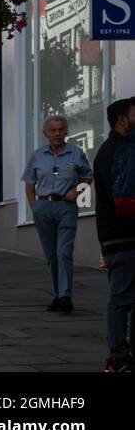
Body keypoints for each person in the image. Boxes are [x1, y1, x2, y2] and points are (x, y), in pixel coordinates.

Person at [22, 115, 93, 314]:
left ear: (66, 132)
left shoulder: (76, 153)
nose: (58, 133)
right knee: (51, 256)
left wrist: (77, 190)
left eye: (61, 129)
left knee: (64, 252)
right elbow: (29, 185)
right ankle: (57, 294)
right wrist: (34, 207)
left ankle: (65, 297)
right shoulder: (37, 156)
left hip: (66, 208)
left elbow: (88, 176)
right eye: (53, 130)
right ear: (46, 133)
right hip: (43, 208)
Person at [94, 97, 135, 372]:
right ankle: (118, 360)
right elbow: (123, 200)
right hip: (123, 238)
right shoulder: (118, 151)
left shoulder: (115, 149)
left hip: (119, 238)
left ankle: (122, 358)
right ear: (122, 119)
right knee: (121, 300)